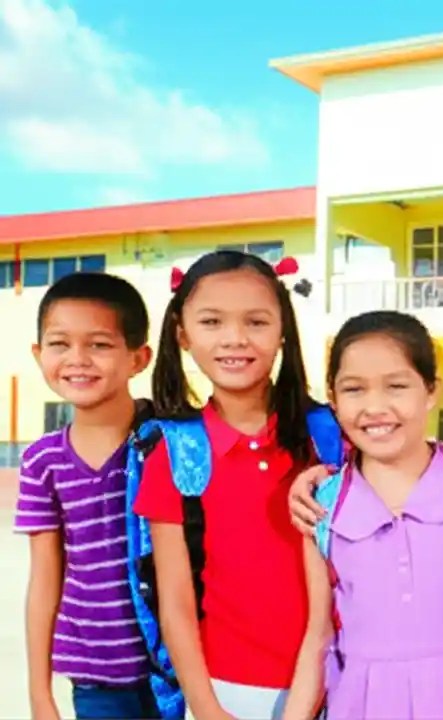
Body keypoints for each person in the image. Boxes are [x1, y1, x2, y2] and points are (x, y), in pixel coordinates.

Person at [280, 311, 443, 720]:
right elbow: (318, 638)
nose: (375, 407)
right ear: (333, 398)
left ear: (431, 390)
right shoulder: (322, 504)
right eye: (354, 389)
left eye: (397, 386)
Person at [132, 250, 322, 720]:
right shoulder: (174, 453)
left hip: (338, 679)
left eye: (256, 322)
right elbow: (174, 602)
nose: (235, 339)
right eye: (212, 322)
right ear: (182, 333)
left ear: (283, 331)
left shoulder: (330, 438)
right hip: (227, 690)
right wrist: (206, 706)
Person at [17, 273, 156, 720]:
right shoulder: (43, 462)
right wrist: (40, 694)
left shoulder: (168, 443)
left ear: (138, 358)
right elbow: (44, 580)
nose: (78, 360)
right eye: (59, 344)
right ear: (39, 355)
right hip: (97, 676)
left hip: (181, 669)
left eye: (99, 344)